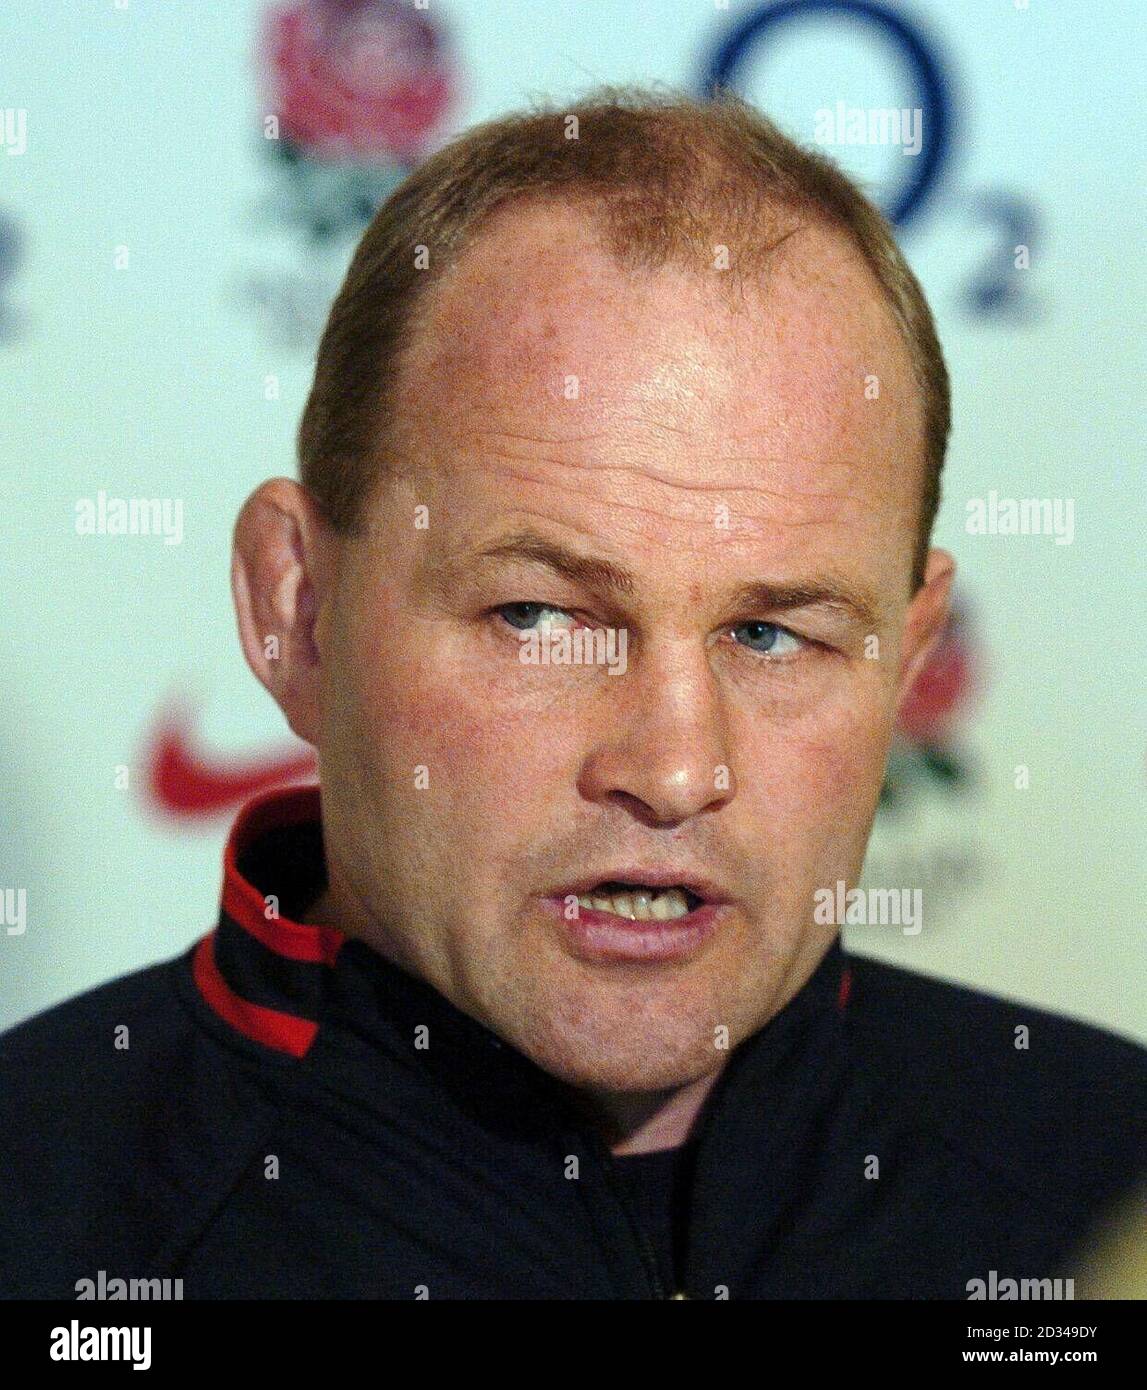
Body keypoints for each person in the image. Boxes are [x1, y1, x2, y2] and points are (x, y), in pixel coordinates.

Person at [1, 87, 1143, 1300]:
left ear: (908, 663)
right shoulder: (40, 1215)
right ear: (298, 613)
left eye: (771, 633)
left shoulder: (1103, 1190)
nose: (672, 766)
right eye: (539, 617)